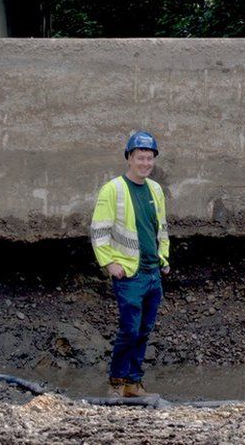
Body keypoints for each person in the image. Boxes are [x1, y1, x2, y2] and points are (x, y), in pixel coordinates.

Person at [90, 131, 170, 397]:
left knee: (145, 330)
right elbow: (99, 230)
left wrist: (164, 258)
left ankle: (134, 383)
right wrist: (109, 262)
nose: (145, 163)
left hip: (152, 272)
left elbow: (161, 229)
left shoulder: (155, 189)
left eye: (149, 158)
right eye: (140, 158)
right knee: (130, 329)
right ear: (129, 158)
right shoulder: (113, 190)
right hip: (129, 274)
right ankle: (117, 381)